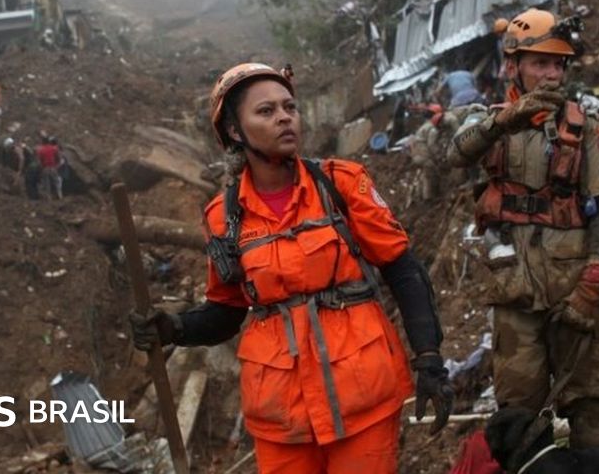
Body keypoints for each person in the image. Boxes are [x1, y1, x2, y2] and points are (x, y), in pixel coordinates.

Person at [130, 63, 453, 473]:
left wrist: (429, 358)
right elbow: (227, 312)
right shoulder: (222, 218)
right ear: (234, 130)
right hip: (280, 414)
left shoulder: (341, 183)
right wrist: (175, 328)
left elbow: (403, 271)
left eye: (290, 107)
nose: (285, 117)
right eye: (266, 111)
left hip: (362, 398)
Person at [447, 8, 599, 449]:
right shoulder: (488, 123)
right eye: (539, 62)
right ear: (513, 66)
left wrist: (595, 277)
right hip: (514, 293)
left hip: (573, 288)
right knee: (521, 416)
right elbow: (456, 153)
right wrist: (506, 119)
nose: (550, 74)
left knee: (590, 407)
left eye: (558, 64)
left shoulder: (586, 128)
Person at [408, 104, 461, 202]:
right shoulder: (432, 129)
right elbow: (432, 146)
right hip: (423, 154)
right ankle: (430, 198)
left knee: (427, 174)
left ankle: (425, 196)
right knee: (432, 173)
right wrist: (439, 157)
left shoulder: (425, 126)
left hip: (416, 154)